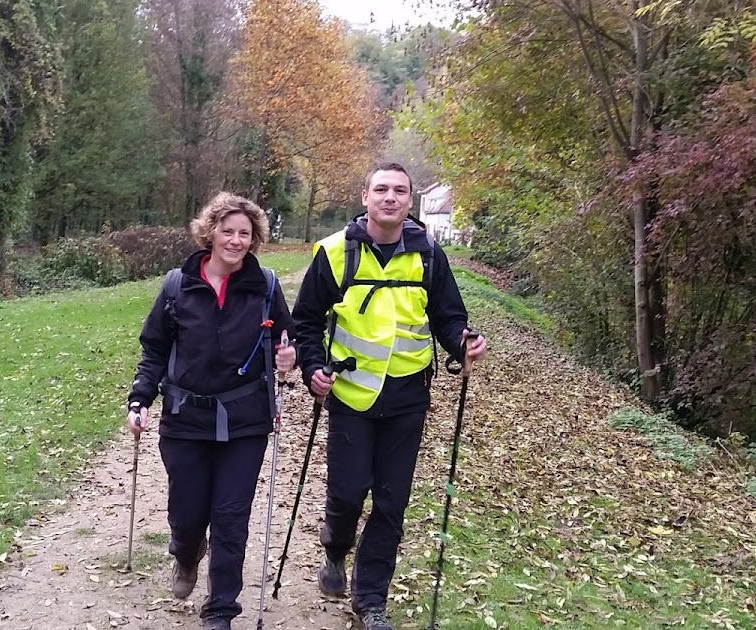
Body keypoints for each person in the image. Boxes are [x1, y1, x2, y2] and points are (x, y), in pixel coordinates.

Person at [292, 163, 486, 630]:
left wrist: (463, 340)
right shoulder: (335, 253)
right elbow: (305, 322)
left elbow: (447, 316)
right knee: (347, 492)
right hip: (351, 395)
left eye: (400, 191)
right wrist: (314, 369)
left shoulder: (430, 256)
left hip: (407, 396)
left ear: (411, 201)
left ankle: (370, 601)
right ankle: (336, 548)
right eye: (381, 189)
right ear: (365, 197)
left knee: (391, 501)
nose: (390, 198)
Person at [126, 192, 296, 630]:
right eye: (228, 231)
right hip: (185, 419)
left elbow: (287, 343)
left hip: (245, 420)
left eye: (245, 233)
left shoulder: (267, 287)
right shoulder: (176, 285)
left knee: (231, 515)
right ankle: (185, 552)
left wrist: (287, 360)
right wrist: (140, 400)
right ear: (210, 232)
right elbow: (155, 350)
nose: (236, 240)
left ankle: (220, 609)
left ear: (253, 238)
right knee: (187, 513)